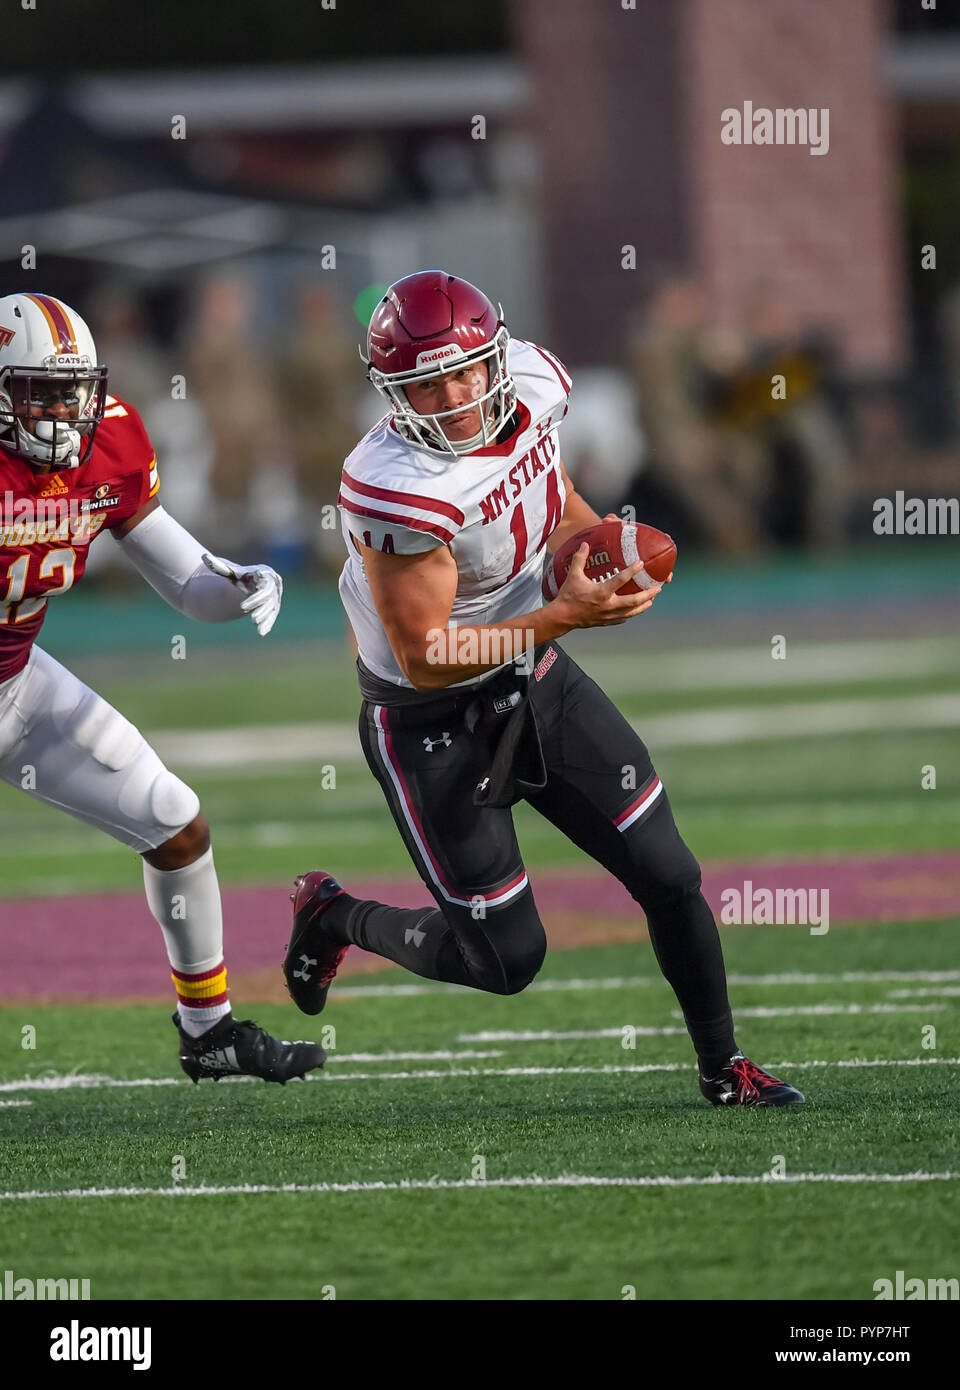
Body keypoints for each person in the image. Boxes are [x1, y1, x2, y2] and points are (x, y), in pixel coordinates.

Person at [284, 270, 803, 1106]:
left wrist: (603, 544)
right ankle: (335, 915)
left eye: (465, 371)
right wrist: (566, 614)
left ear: (496, 357)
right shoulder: (396, 485)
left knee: (668, 871)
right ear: (392, 394)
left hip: (532, 674)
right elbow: (427, 655)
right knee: (506, 962)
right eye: (427, 384)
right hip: (430, 716)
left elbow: (547, 492)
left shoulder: (531, 380)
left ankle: (724, 1069)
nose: (454, 396)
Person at [0, 291, 325, 1084]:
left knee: (173, 821)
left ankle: (207, 1030)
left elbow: (185, 579)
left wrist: (237, 582)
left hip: (15, 680)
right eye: (38, 392)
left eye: (70, 391)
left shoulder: (108, 440)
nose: (61, 413)